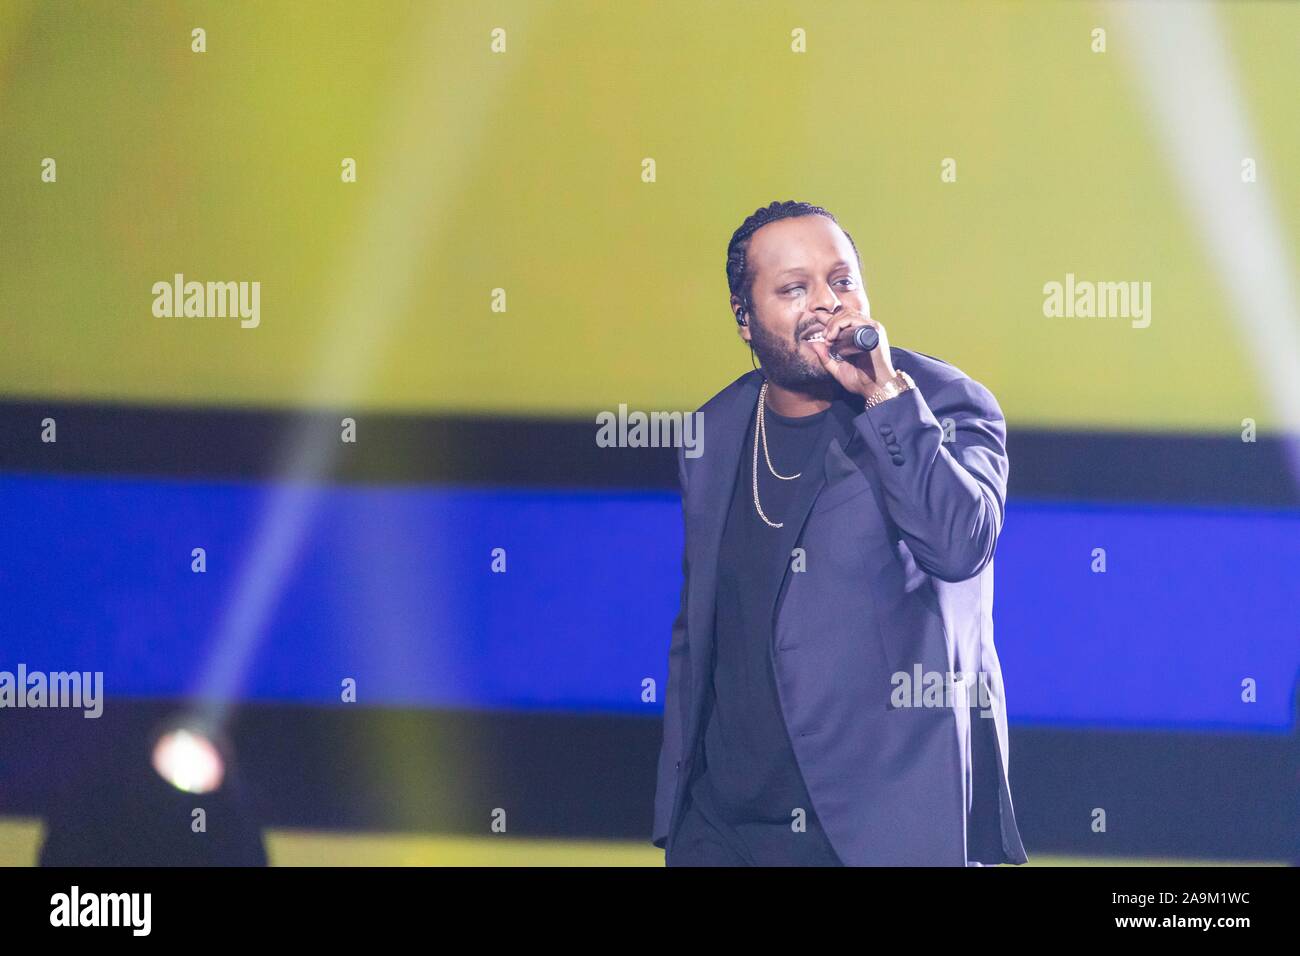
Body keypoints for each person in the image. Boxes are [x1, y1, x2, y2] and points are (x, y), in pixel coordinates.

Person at [652, 200, 1027, 866]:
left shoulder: (941, 402)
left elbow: (959, 546)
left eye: (841, 280)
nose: (827, 304)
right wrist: (677, 816)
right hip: (727, 827)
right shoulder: (715, 430)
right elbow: (701, 624)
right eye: (794, 288)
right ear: (745, 320)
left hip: (874, 828)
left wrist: (887, 400)